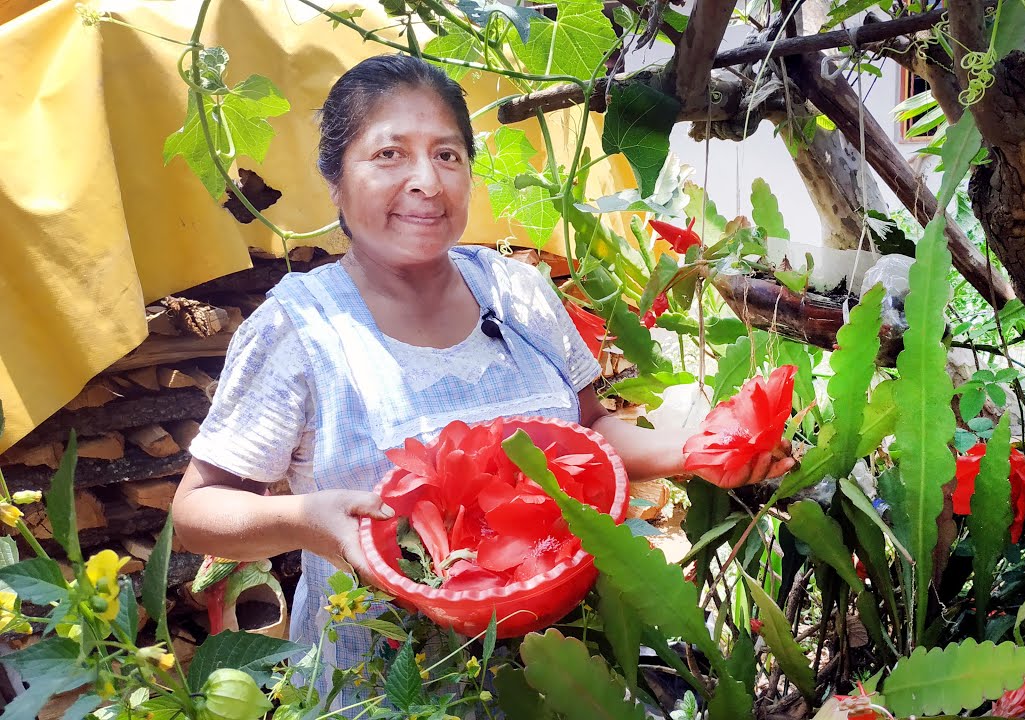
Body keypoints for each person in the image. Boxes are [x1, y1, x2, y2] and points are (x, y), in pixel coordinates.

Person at [171, 54, 791, 708]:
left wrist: (696, 453)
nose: (425, 182)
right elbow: (199, 511)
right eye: (388, 155)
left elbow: (592, 433)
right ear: (336, 181)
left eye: (447, 155)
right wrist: (307, 520)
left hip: (561, 674)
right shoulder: (299, 330)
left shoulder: (518, 293)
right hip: (383, 693)